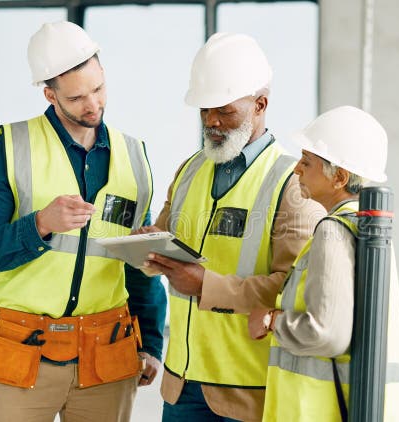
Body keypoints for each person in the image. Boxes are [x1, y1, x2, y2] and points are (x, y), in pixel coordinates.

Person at [0, 21, 166, 421]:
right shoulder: (10, 147)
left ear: (104, 73)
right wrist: (38, 224)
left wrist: (151, 342)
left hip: (107, 355)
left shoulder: (134, 155)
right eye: (76, 97)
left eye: (98, 89)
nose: (92, 105)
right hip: (24, 354)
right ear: (50, 94)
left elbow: (137, 266)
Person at [139, 33, 325, 421]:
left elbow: (294, 286)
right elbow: (163, 242)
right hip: (181, 384)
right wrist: (147, 250)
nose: (212, 122)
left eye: (225, 111)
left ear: (260, 105)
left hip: (246, 391)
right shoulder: (190, 170)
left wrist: (206, 285)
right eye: (205, 110)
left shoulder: (291, 183)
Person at [246, 106, 399, 422]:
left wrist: (271, 320)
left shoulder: (333, 231)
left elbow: (327, 333)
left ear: (340, 177)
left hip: (321, 412)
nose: (297, 170)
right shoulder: (365, 228)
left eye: (307, 162)